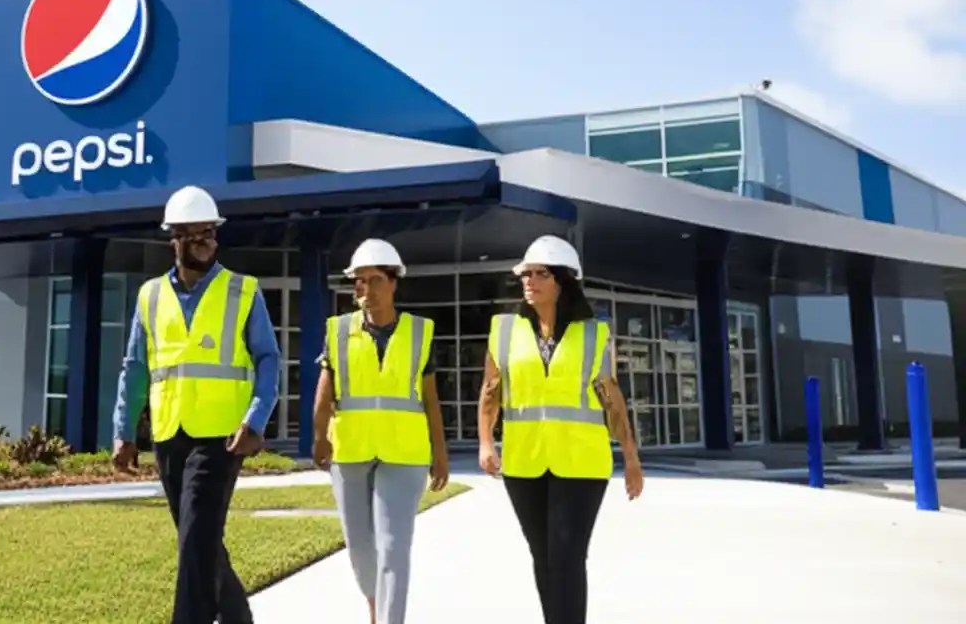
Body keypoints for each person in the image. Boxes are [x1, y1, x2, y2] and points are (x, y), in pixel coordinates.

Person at [111, 184, 281, 624]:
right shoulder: (150, 296)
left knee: (196, 542)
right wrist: (124, 433)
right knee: (200, 542)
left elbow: (268, 359)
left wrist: (255, 419)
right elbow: (135, 367)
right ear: (175, 239)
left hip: (223, 436)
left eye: (210, 233)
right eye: (195, 235)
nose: (206, 241)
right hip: (169, 434)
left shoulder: (243, 291)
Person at [477, 234, 644, 624]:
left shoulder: (593, 335)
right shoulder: (504, 330)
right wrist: (485, 442)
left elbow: (612, 399)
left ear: (563, 281)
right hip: (524, 461)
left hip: (582, 462)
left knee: (567, 555)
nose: (529, 281)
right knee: (543, 556)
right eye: (526, 274)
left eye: (541, 274)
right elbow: (490, 391)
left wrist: (631, 458)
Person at [311, 238, 451, 624]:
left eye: (375, 280)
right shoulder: (338, 331)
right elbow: (324, 390)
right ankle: (375, 607)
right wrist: (319, 436)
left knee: (393, 547)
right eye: (360, 281)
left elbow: (430, 399)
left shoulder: (420, 332)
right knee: (360, 548)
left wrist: (440, 454)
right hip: (351, 450)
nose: (366, 289)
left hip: (405, 453)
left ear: (393, 283)